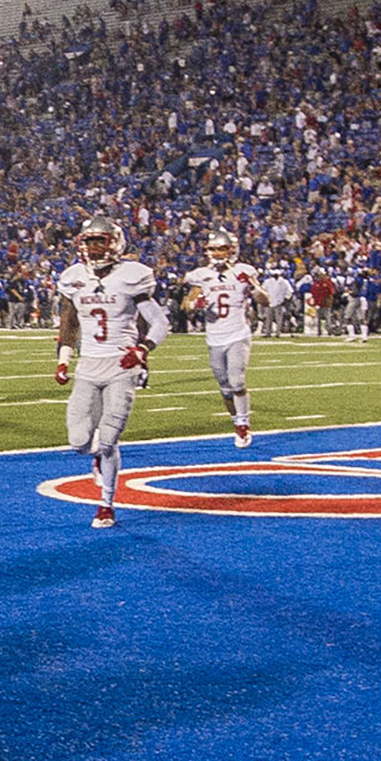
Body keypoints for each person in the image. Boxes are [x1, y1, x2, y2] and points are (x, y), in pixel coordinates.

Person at [54, 216, 168, 528]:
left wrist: (142, 351)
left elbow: (159, 322)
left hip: (121, 365)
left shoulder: (133, 276)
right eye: (89, 241)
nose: (93, 247)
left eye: (99, 241)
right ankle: (96, 457)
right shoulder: (73, 277)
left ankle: (106, 503)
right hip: (88, 366)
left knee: (107, 441)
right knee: (78, 441)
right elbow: (69, 322)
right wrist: (63, 358)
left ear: (114, 243)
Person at [181, 228, 266, 448]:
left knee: (237, 381)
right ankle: (236, 419)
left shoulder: (244, 271)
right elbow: (186, 307)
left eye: (221, 249)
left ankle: (243, 424)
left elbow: (265, 301)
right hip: (214, 337)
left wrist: (253, 286)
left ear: (231, 250)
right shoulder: (201, 275)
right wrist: (194, 304)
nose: (217, 253)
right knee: (225, 387)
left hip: (238, 333)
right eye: (213, 249)